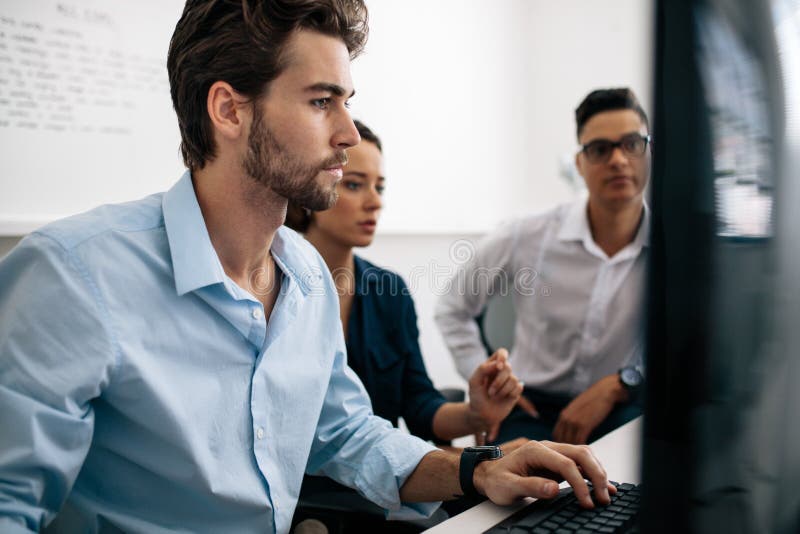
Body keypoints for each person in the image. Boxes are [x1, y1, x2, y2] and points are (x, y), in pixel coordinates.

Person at [0, 3, 616, 533]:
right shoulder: (73, 276)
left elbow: (347, 433)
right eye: (322, 101)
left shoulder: (307, 277)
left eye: (346, 102)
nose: (347, 133)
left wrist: (480, 468)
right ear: (229, 110)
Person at [285, 120, 527, 452]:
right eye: (354, 185)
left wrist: (475, 413)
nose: (375, 202)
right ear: (307, 192)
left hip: (378, 488)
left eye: (379, 188)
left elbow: (419, 405)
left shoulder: (389, 290)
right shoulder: (273, 286)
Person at [435, 88, 650, 446]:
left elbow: (687, 344)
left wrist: (622, 384)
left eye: (631, 144)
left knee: (632, 490)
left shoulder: (676, 248)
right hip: (531, 408)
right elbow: (452, 308)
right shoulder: (527, 235)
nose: (618, 160)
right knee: (517, 493)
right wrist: (486, 382)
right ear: (579, 164)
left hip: (622, 402)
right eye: (600, 149)